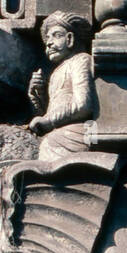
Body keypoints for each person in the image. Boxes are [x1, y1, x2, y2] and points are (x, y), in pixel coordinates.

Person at [28, 11, 97, 159]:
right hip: (60, 131)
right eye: (47, 38)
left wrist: (48, 121)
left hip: (77, 131)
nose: (49, 42)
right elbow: (48, 113)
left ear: (70, 38)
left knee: (48, 144)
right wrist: (37, 95)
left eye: (56, 35)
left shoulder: (81, 60)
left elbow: (83, 105)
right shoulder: (56, 72)